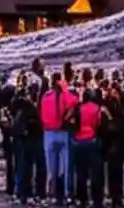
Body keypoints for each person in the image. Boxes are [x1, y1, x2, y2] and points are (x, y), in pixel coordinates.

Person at [39, 77, 76, 205]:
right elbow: (74, 103)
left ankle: (51, 194)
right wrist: (66, 118)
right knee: (65, 166)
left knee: (51, 167)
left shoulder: (45, 96)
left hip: (48, 133)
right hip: (62, 132)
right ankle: (66, 194)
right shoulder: (64, 94)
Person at [70, 88, 106, 208]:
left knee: (81, 173)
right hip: (92, 140)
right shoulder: (97, 108)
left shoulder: (79, 108)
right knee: (96, 173)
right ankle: (97, 201)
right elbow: (99, 124)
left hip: (79, 142)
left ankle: (82, 200)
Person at [9, 84, 42, 205]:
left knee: (20, 166)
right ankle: (26, 194)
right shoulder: (32, 107)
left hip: (19, 137)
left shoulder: (19, 104)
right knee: (27, 167)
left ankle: (18, 193)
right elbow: (37, 125)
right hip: (29, 139)